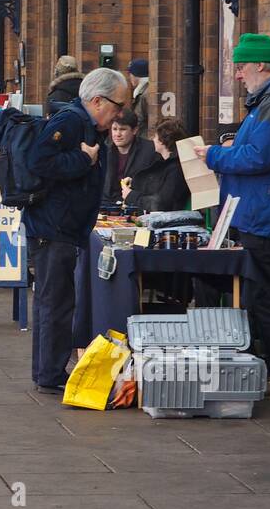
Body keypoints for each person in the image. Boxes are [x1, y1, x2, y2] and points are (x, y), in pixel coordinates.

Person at [193, 34, 270, 398]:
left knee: (268, 296)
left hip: (265, 216)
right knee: (259, 293)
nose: (239, 74)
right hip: (258, 213)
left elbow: (260, 158)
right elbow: (256, 150)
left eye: (242, 66)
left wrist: (215, 155)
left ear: (261, 65)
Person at [25, 66, 130, 393]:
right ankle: (51, 375)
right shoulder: (70, 121)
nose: (118, 116)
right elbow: (38, 162)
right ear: (97, 101)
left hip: (61, 225)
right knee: (55, 303)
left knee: (52, 301)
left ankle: (48, 371)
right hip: (53, 225)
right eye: (117, 107)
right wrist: (82, 161)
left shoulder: (80, 122)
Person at [125, 116, 189, 214]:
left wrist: (131, 196)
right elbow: (155, 186)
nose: (153, 139)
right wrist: (135, 183)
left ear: (162, 140)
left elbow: (161, 204)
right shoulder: (165, 162)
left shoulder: (176, 168)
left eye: (155, 136)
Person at [102, 108, 158, 206]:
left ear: (135, 130)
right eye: (114, 129)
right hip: (107, 207)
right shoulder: (104, 150)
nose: (117, 134)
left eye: (123, 129)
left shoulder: (150, 150)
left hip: (136, 206)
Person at [127, 58, 150, 136]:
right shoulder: (145, 91)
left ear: (135, 75)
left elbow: (139, 121)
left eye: (130, 74)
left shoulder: (144, 94)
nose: (130, 78)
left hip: (145, 140)